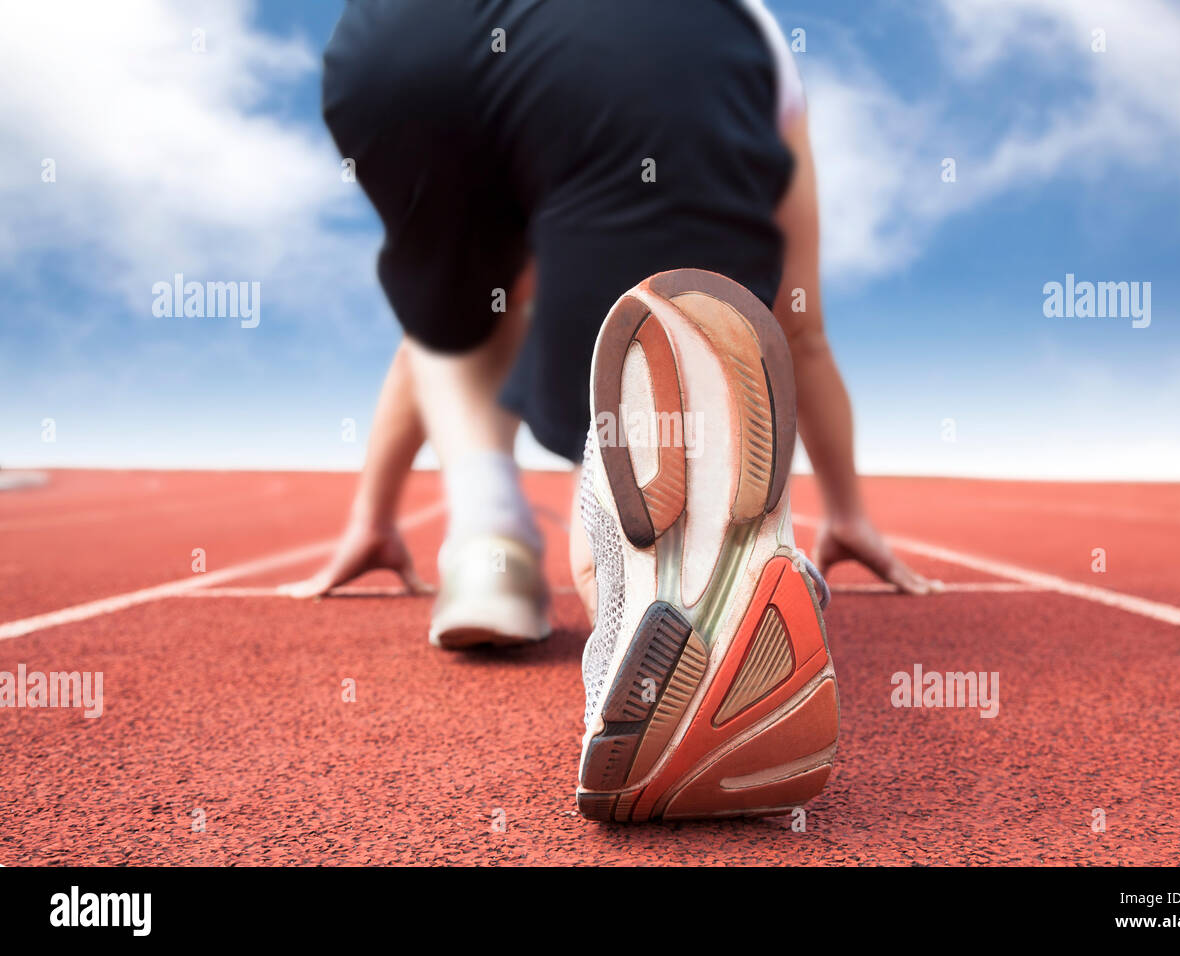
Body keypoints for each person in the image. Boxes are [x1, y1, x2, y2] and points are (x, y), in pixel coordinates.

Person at [283, 0, 940, 643]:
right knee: (660, 477)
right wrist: (847, 511)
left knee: (467, 293)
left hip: (394, 40)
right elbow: (801, 328)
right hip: (651, 44)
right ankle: (676, 586)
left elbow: (438, 324)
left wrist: (372, 515)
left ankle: (489, 544)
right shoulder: (749, 29)